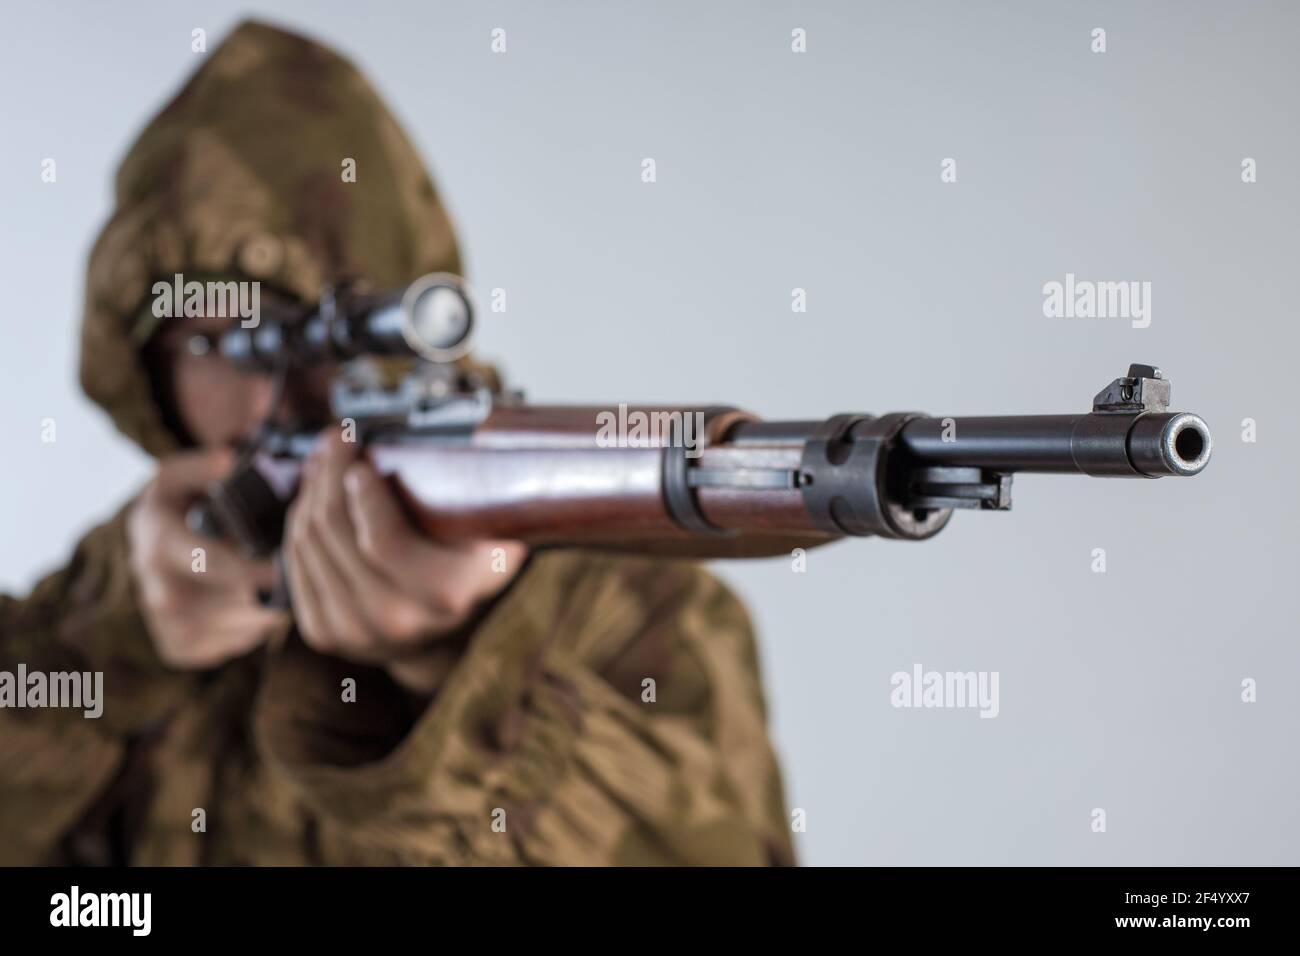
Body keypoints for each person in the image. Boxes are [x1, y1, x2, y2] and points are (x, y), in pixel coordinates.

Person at [0, 19, 794, 866]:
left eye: (312, 335)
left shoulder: (627, 602)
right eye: (213, 344)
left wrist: (459, 669)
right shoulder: (112, 592)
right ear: (144, 372)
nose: (285, 392)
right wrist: (114, 644)